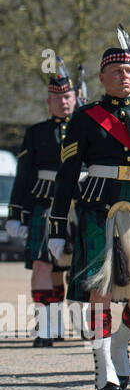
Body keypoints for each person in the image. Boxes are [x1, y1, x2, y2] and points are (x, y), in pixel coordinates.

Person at [47, 46, 130, 390]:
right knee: (99, 291)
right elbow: (67, 174)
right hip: (98, 208)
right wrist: (58, 224)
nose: (124, 76)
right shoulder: (85, 116)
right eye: (117, 71)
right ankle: (104, 363)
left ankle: (121, 342)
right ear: (102, 77)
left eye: (129, 71)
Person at [8, 74, 78, 347]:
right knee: (43, 264)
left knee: (73, 268)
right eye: (58, 98)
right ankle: (47, 326)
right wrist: (17, 212)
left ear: (75, 99)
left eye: (67, 97)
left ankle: (82, 321)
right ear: (49, 102)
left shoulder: (84, 128)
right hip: (44, 204)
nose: (63, 102)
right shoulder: (35, 133)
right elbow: (24, 175)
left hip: (79, 203)